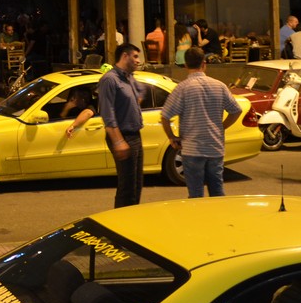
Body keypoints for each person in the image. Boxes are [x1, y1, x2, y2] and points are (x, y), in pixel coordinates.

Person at [160, 47, 243, 198]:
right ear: (204, 64)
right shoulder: (219, 86)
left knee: (196, 194)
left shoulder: (182, 88)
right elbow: (236, 110)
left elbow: (165, 116)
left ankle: (199, 220)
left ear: (185, 65)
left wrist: (172, 137)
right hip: (215, 148)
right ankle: (217, 220)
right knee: (217, 191)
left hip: (192, 149)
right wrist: (222, 127)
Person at [98, 43, 145, 208]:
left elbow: (142, 90)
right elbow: (107, 113)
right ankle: (121, 222)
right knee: (127, 187)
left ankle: (131, 219)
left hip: (135, 135)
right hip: (123, 136)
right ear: (125, 56)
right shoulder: (110, 79)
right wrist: (118, 141)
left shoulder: (129, 77)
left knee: (136, 185)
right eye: (135, 56)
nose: (138, 61)